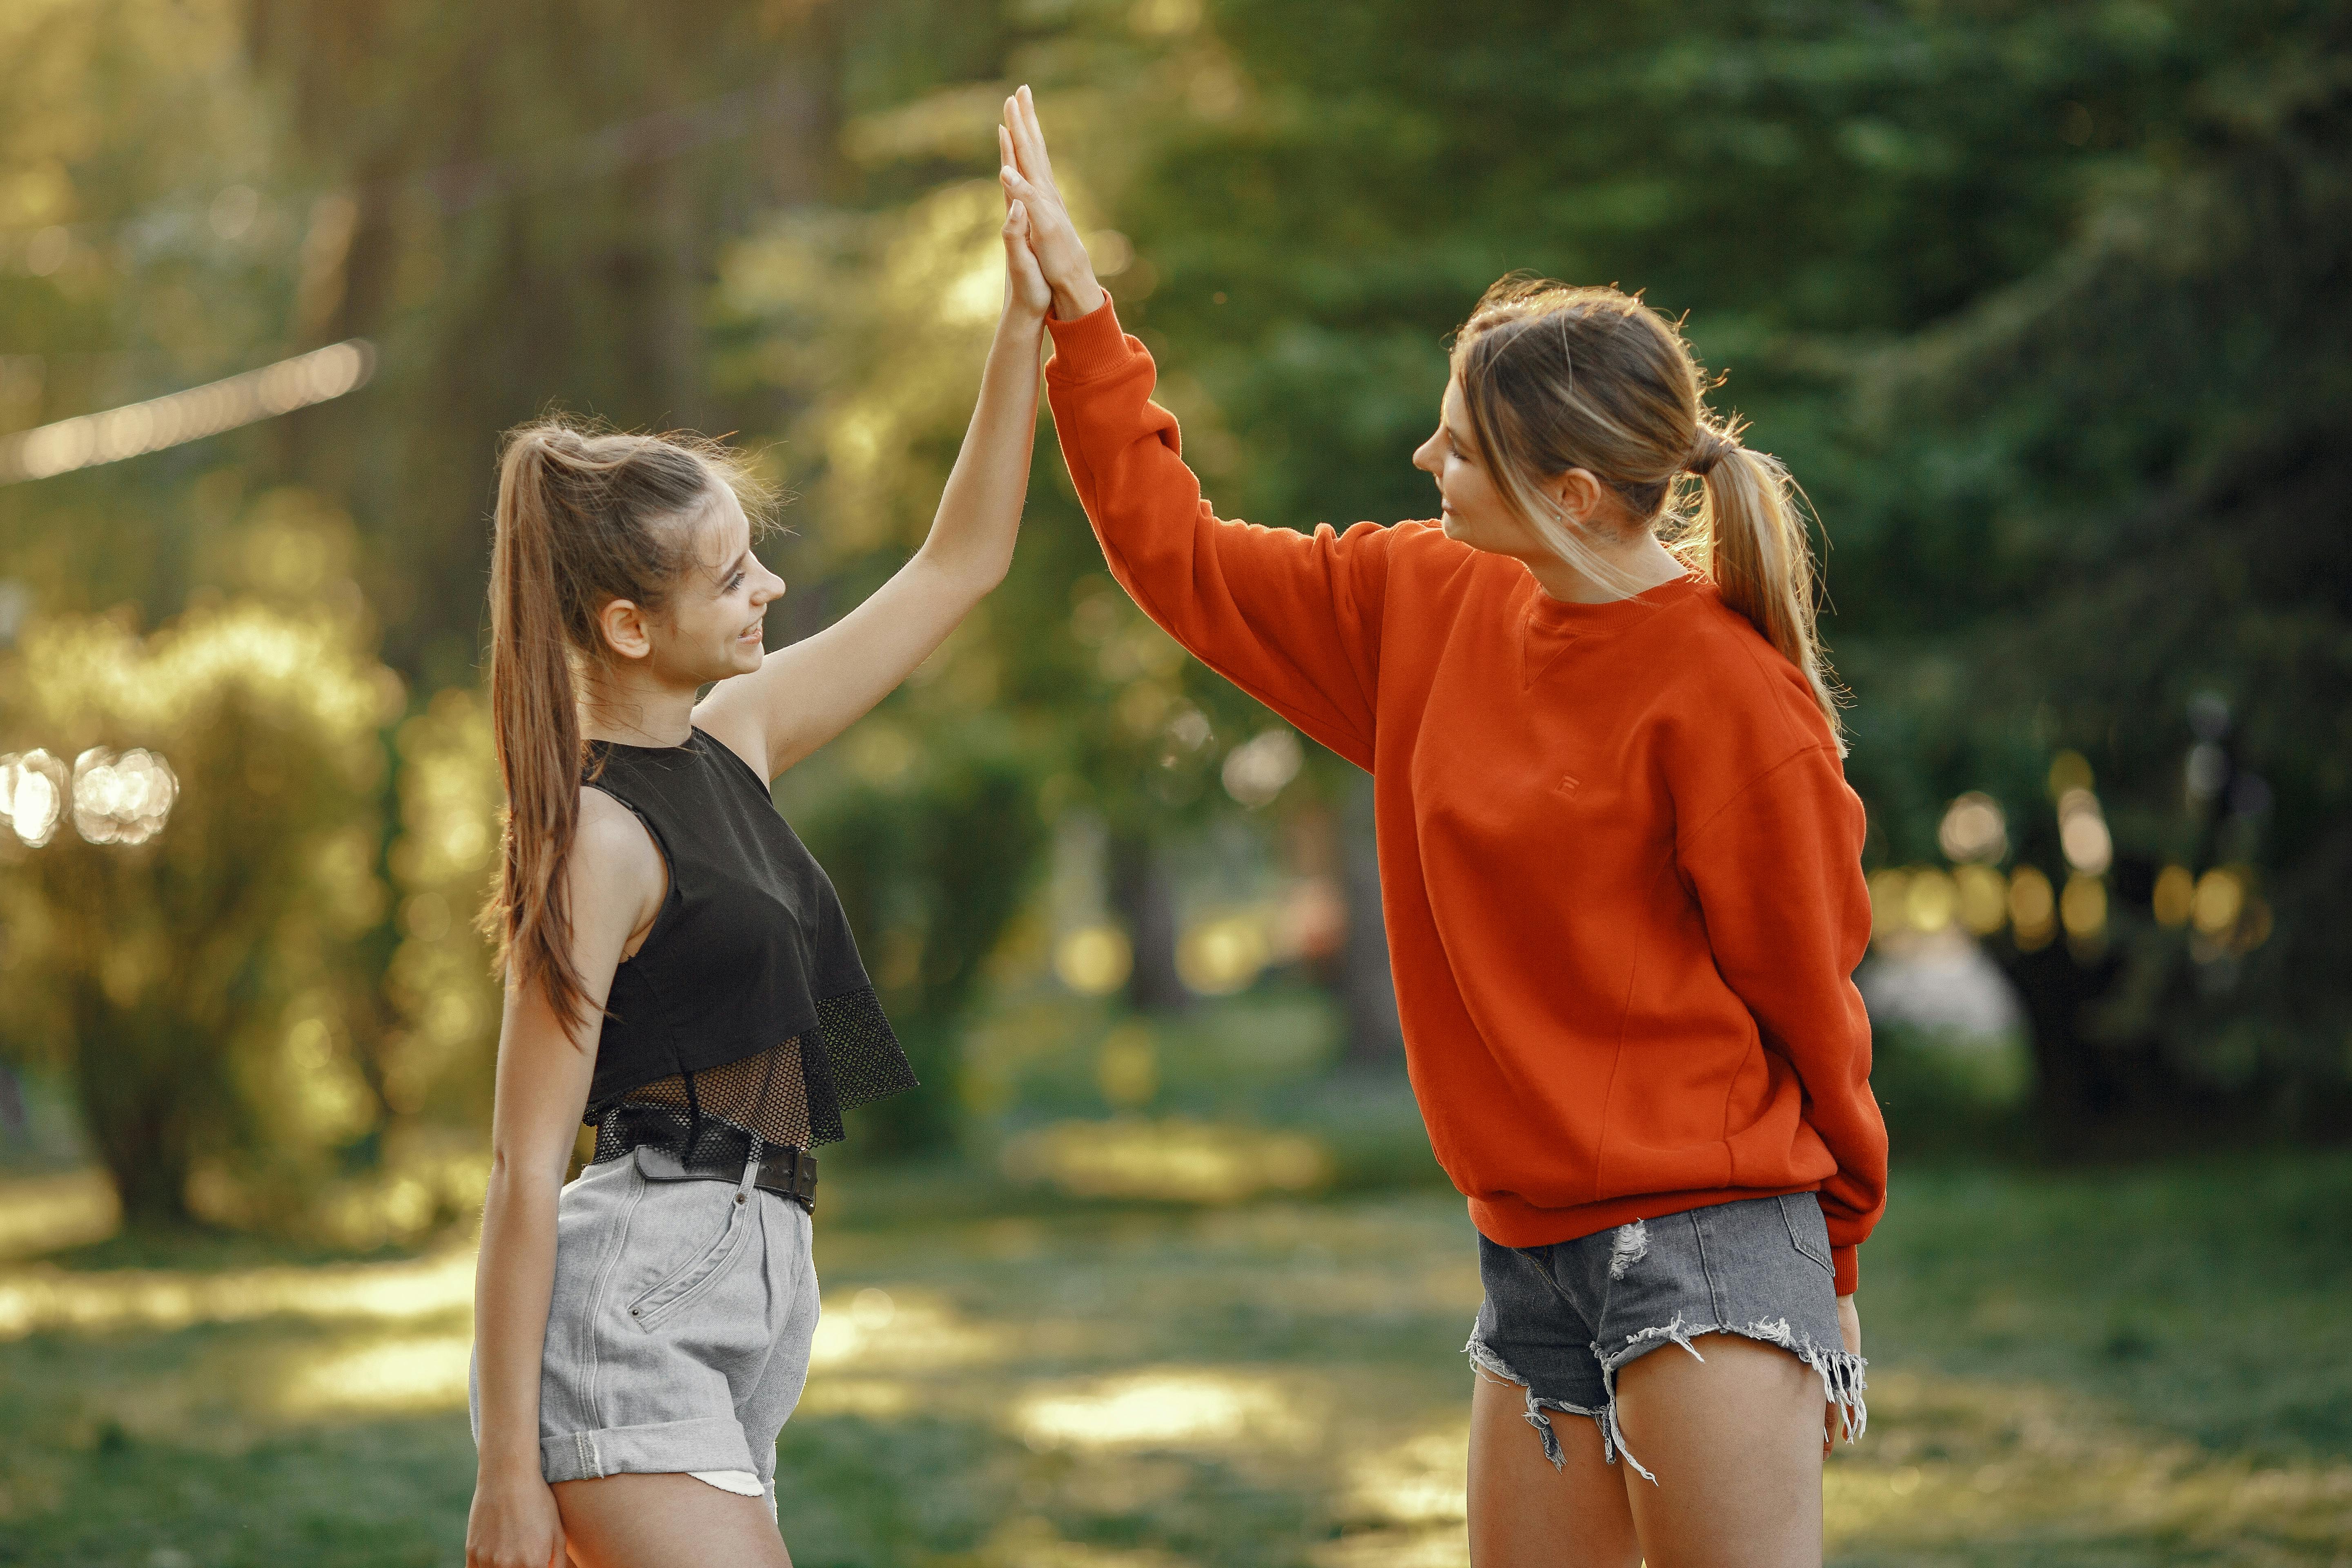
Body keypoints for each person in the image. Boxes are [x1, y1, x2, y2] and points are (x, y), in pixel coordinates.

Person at [999, 86, 1886, 1568]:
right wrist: (1085, 316)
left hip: (1716, 1240)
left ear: (1574, 495)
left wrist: (1835, 1261)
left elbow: (1813, 999)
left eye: (1461, 447)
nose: (1426, 460)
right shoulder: (1420, 596)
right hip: (1529, 1251)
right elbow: (1180, 558)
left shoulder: (1736, 701)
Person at [462, 152, 1053, 1568]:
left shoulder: (735, 738)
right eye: (731, 577)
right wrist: (505, 1474)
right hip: (638, 1305)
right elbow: (524, 1167)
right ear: (626, 627)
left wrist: (1022, 324)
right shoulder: (598, 843)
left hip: (759, 1287)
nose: (768, 588)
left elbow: (959, 566)